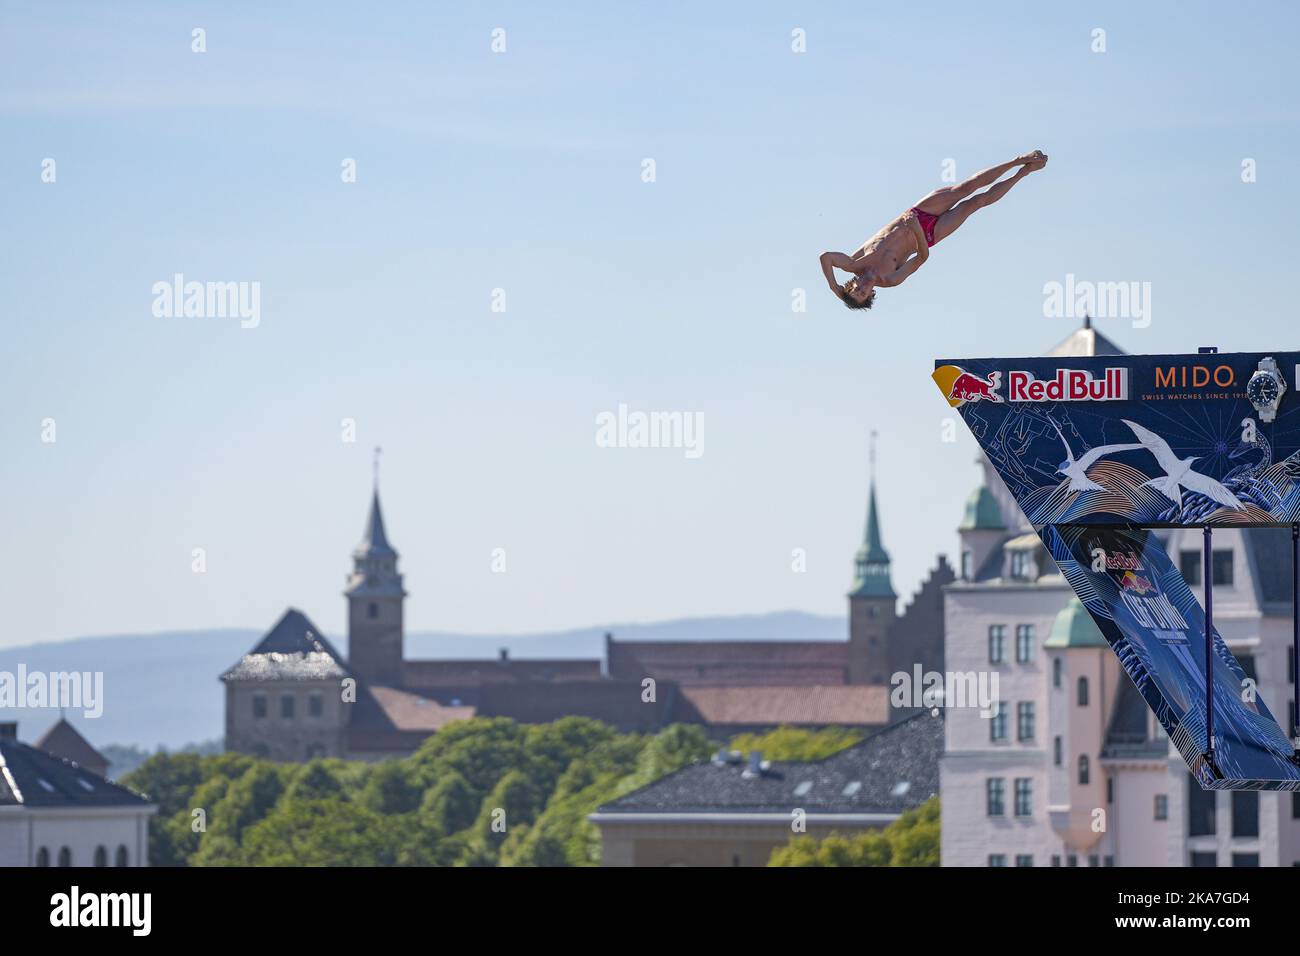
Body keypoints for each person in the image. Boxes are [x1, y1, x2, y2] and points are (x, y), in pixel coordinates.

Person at [820, 150, 1047, 309]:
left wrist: (833, 288)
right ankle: (1023, 173)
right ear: (870, 295)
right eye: (863, 294)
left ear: (851, 284)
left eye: (856, 289)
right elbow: (921, 258)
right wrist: (917, 230)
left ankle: (1017, 161)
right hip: (927, 234)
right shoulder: (890, 279)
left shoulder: (853, 263)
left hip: (918, 213)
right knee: (975, 204)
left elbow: (826, 257)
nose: (862, 288)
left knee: (964, 188)